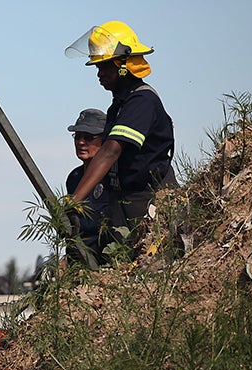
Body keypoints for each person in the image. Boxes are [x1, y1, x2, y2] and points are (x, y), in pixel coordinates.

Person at [65, 21, 175, 259]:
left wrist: (75, 200)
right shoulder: (120, 105)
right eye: (98, 67)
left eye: (104, 66)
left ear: (123, 65)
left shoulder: (141, 102)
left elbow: (110, 151)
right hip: (124, 201)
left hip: (148, 200)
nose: (100, 74)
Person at [65, 108, 111, 265]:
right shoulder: (74, 178)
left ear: (104, 140)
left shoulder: (113, 178)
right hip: (80, 262)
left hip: (106, 262)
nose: (81, 142)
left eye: (89, 137)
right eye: (77, 136)